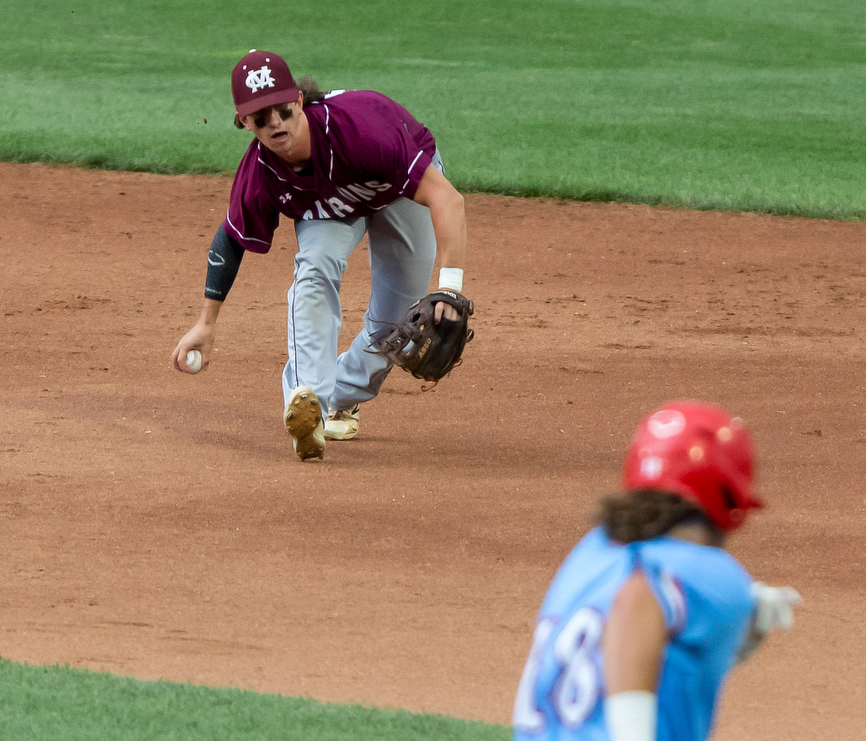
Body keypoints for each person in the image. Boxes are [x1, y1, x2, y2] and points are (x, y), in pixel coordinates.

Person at [171, 50, 467, 461]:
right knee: (313, 272)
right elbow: (231, 238)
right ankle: (308, 403)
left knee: (398, 327)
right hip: (331, 204)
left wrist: (450, 288)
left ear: (298, 100)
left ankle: (339, 397)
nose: (276, 122)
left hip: (397, 188)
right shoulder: (261, 170)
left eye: (282, 110)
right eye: (261, 117)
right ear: (244, 122)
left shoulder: (361, 129)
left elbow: (447, 199)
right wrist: (206, 323)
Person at [512, 400, 802, 741]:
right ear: (728, 498)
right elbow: (637, 600)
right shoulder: (711, 573)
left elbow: (644, 658)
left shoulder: (592, 550)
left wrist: (731, 623)